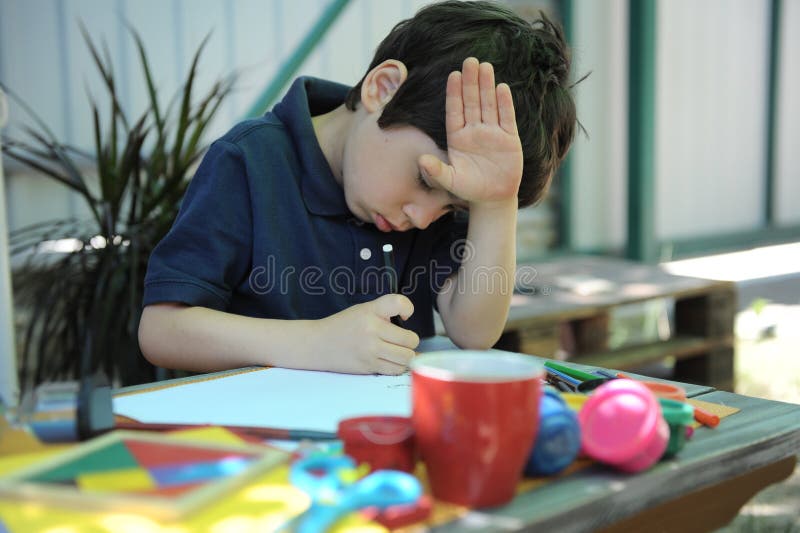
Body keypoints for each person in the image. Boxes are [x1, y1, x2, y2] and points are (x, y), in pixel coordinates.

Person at [138, 0, 578, 375]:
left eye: (453, 207)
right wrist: (313, 343)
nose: (423, 217)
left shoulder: (428, 202)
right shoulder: (248, 163)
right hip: (258, 450)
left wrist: (494, 204)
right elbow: (161, 330)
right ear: (383, 88)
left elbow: (474, 332)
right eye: (424, 180)